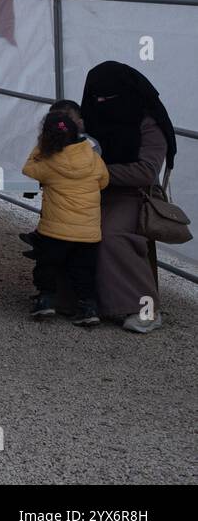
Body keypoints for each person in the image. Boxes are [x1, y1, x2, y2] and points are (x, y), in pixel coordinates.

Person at [82, 62, 177, 334]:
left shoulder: (148, 124)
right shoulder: (89, 115)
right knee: (64, 226)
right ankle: (79, 299)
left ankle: (145, 309)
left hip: (134, 195)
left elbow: (146, 171)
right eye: (95, 97)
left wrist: (96, 172)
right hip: (89, 192)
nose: (100, 102)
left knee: (110, 234)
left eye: (107, 98)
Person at [21, 110, 110, 326]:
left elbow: (28, 170)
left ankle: (46, 301)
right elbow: (104, 182)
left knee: (47, 265)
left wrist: (39, 149)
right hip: (89, 232)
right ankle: (88, 308)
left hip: (55, 231)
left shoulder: (48, 162)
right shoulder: (93, 157)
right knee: (84, 271)